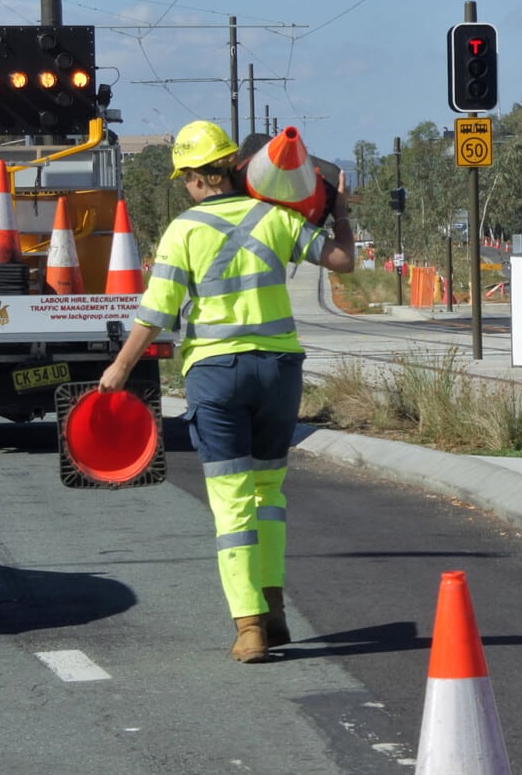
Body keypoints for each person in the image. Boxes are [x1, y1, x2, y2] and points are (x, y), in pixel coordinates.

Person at [97, 119, 355, 663]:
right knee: (269, 496)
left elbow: (156, 314)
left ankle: (250, 629)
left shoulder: (183, 231)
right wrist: (342, 213)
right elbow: (342, 262)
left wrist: (121, 368)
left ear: (193, 177)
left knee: (232, 504)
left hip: (216, 376)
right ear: (231, 167)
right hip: (279, 372)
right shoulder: (278, 217)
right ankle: (274, 607)